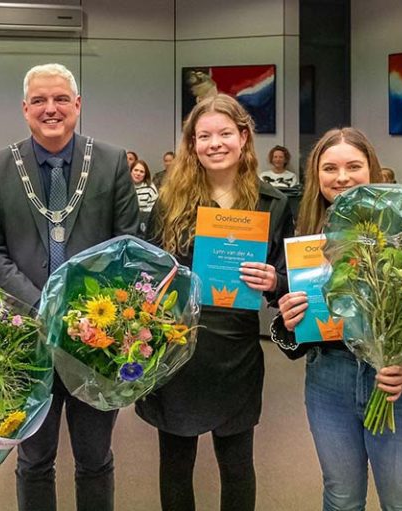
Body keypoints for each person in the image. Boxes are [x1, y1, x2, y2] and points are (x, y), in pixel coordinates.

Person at [0, 63, 139, 511]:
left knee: (94, 458)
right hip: (28, 338)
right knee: (33, 459)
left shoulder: (110, 161)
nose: (52, 109)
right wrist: (45, 307)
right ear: (25, 109)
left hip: (97, 340)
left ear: (78, 105)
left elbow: (129, 247)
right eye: (41, 101)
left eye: (61, 99)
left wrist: (83, 312)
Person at [271, 127, 402, 511]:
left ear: (371, 170)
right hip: (329, 383)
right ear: (316, 176)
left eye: (353, 166)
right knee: (341, 499)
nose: (341, 177)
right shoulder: (308, 234)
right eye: (330, 168)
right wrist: (288, 323)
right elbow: (296, 331)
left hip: (397, 388)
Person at [135, 94, 293, 511]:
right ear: (192, 144)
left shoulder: (273, 204)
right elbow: (147, 273)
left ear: (244, 137)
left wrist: (275, 279)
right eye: (203, 136)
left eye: (225, 133)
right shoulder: (169, 202)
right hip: (176, 349)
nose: (214, 143)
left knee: (238, 464)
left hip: (236, 353)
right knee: (175, 464)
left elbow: (288, 281)